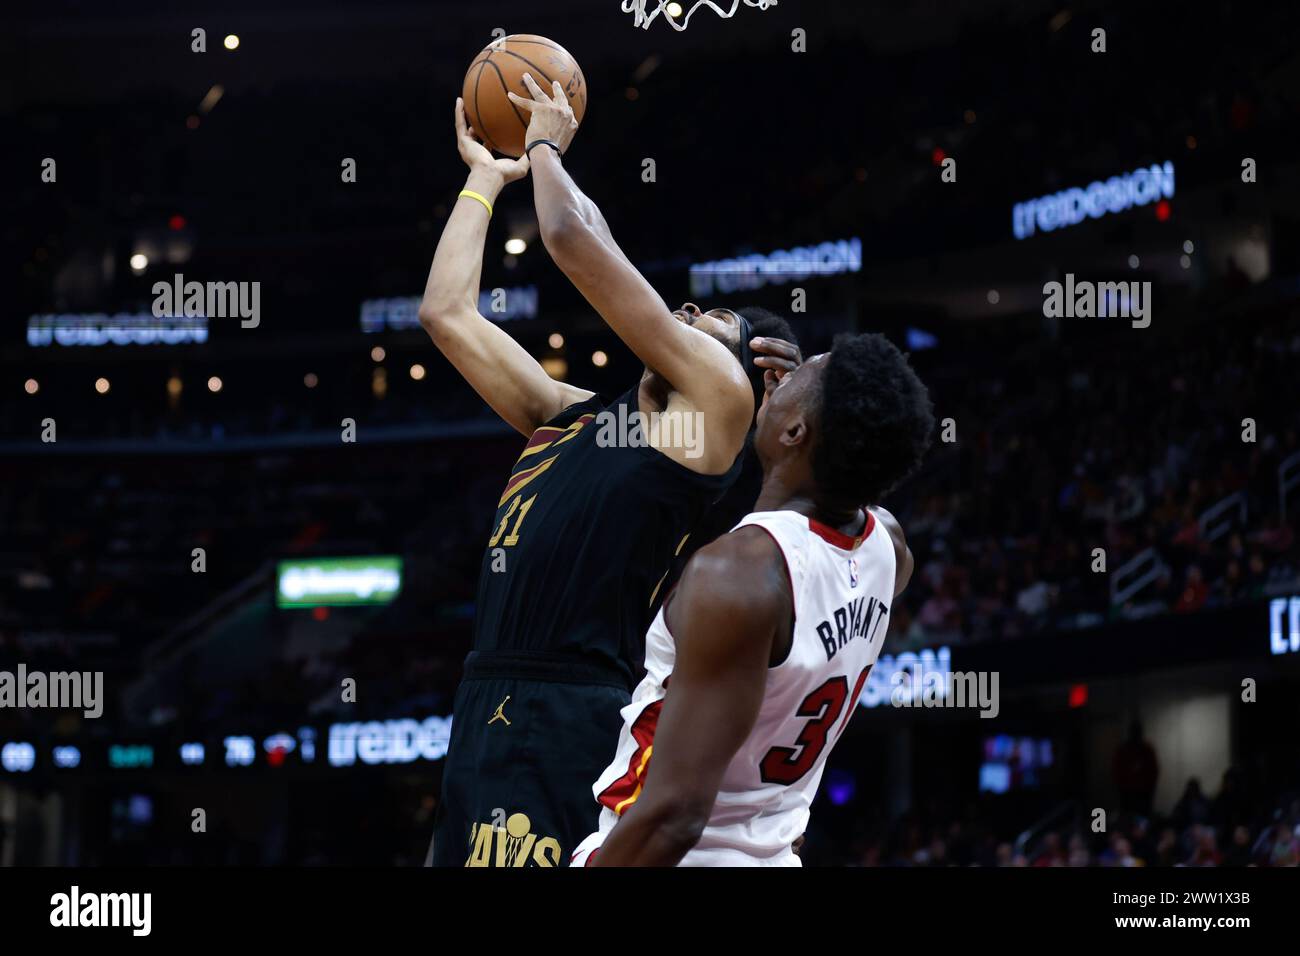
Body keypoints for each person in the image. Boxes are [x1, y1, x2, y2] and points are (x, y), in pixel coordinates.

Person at [421, 83, 800, 866]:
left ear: (753, 376)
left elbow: (568, 235)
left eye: (712, 323)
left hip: (572, 708)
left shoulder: (711, 413)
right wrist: (484, 180)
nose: (687, 317)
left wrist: (546, 148)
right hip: (483, 692)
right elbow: (446, 315)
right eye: (688, 311)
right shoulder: (576, 411)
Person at [571, 333, 934, 865]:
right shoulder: (890, 548)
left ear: (795, 431)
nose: (782, 377)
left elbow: (674, 818)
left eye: (800, 373)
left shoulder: (738, 574)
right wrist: (793, 425)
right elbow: (835, 503)